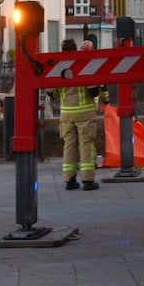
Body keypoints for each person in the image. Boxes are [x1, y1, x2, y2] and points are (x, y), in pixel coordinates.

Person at [52, 38, 109, 191]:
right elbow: (93, 91)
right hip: (84, 113)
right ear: (76, 49)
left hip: (66, 114)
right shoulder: (82, 65)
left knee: (69, 145)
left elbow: (52, 92)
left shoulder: (58, 67)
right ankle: (88, 180)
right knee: (86, 145)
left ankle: (69, 180)